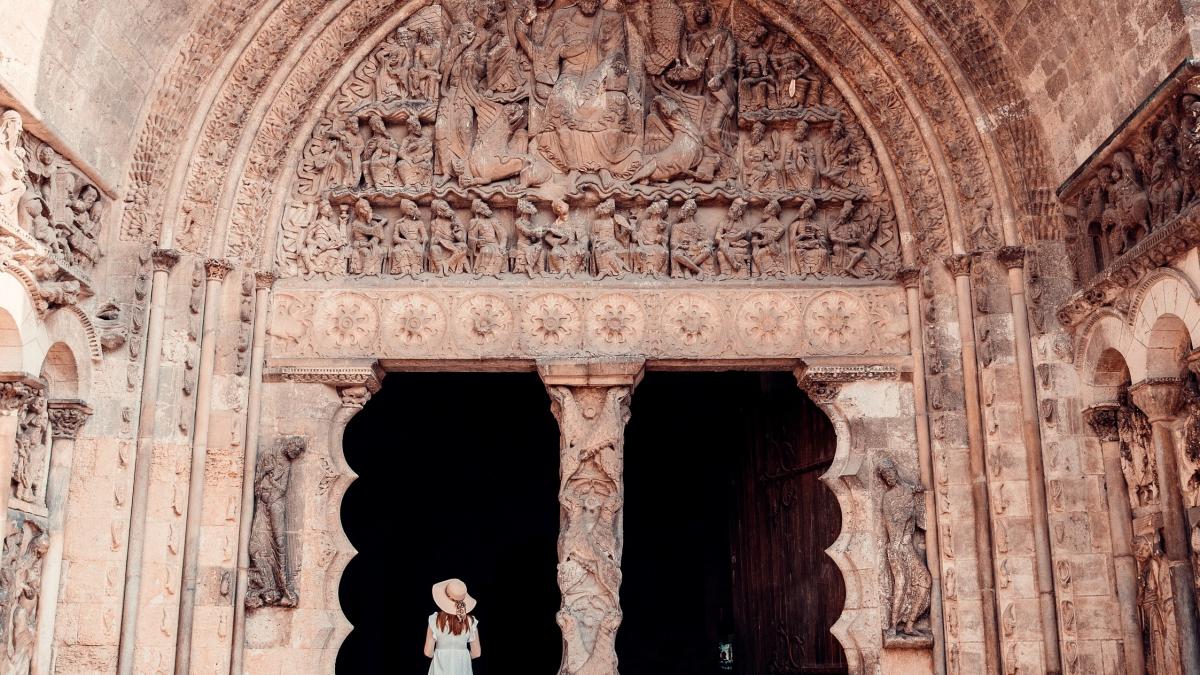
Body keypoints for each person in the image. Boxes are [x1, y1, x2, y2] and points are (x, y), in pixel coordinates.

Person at [424, 578, 481, 675]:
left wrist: (442, 655)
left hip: (439, 669)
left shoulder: (435, 620)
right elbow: (476, 653)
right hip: (462, 668)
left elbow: (428, 652)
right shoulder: (470, 622)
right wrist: (461, 657)